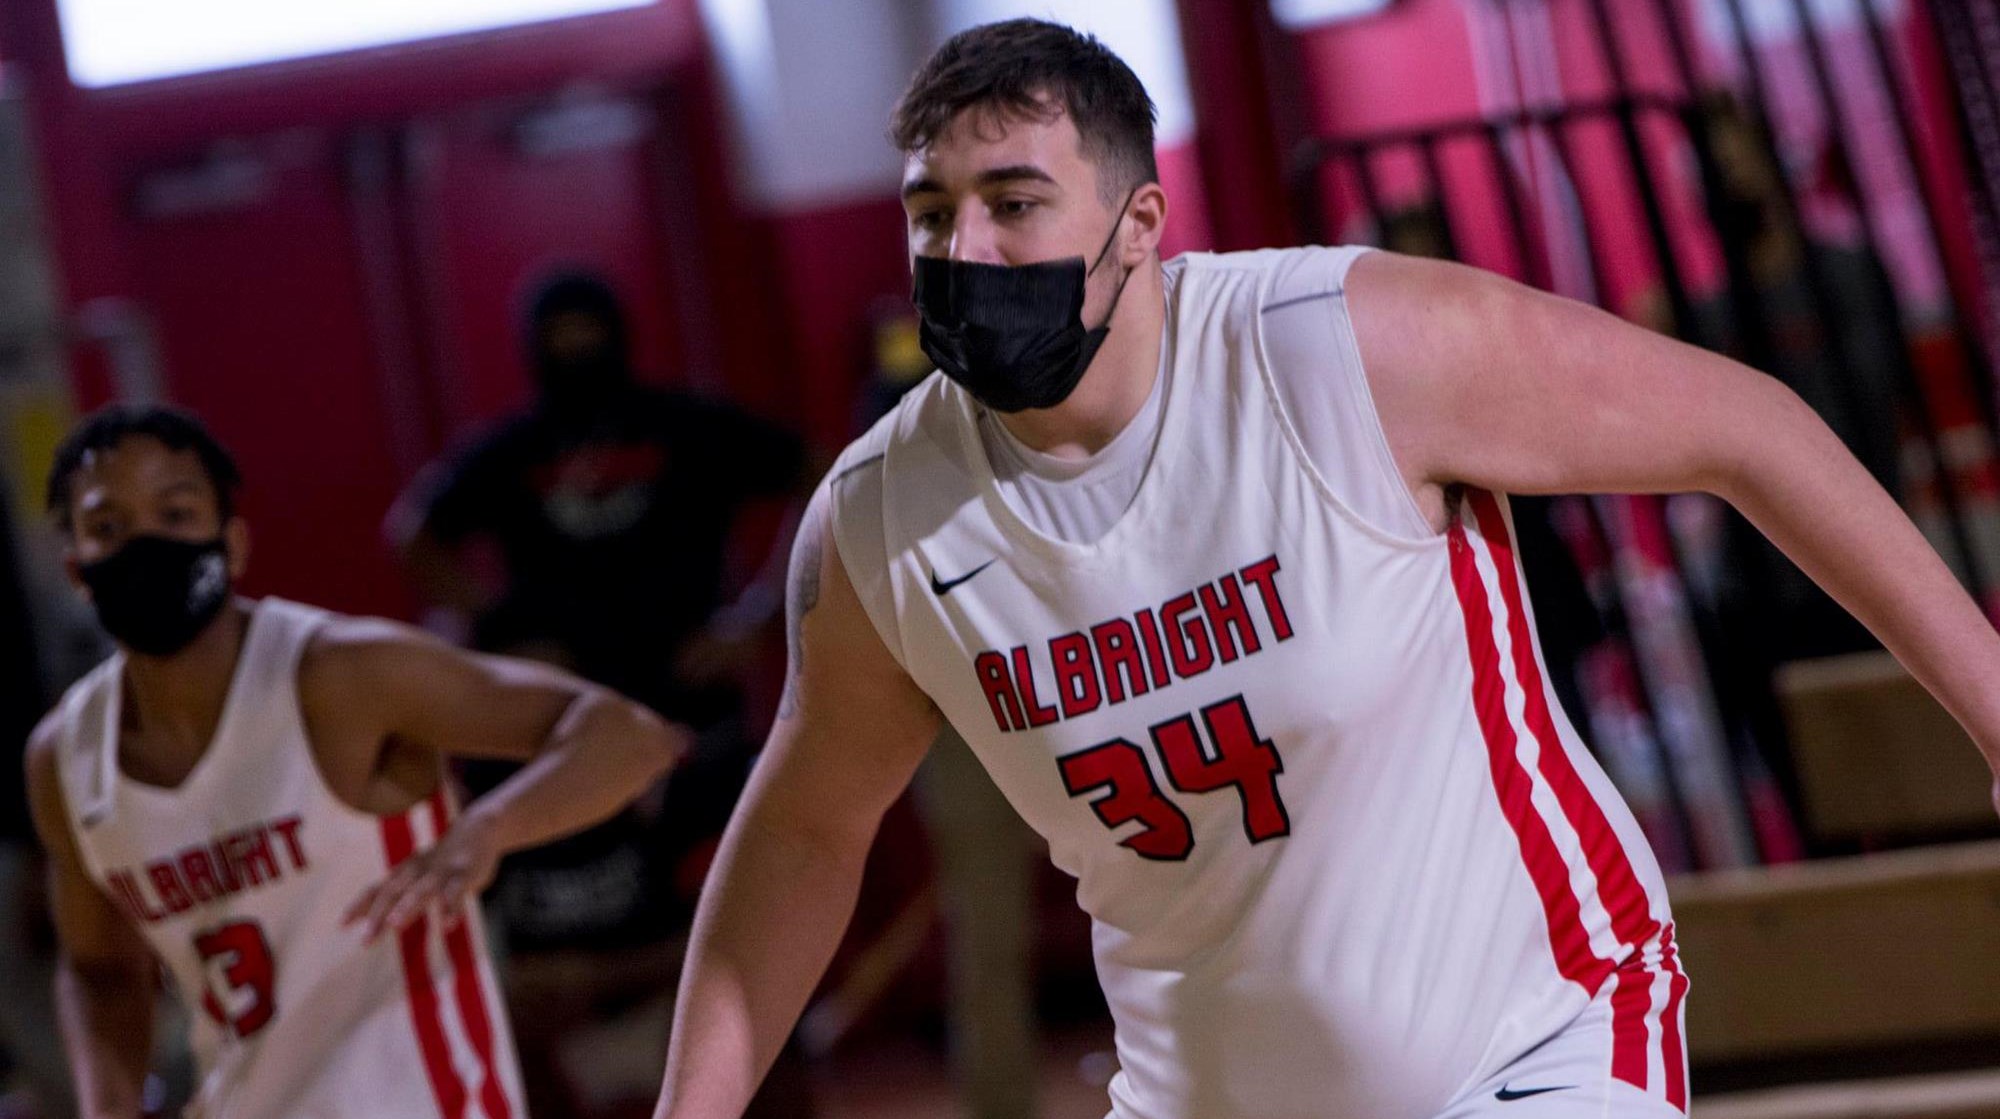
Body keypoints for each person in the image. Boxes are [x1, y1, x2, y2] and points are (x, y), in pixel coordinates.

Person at [652, 18, 2000, 1119]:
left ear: (1138, 225)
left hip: (1532, 1047)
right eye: (929, 211)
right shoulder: (881, 518)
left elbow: (1745, 428)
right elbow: (809, 826)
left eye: (1015, 204)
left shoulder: (1340, 349)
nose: (966, 250)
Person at [25, 404, 687, 1119]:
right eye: (109, 527)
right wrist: (108, 1104)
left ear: (234, 543)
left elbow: (629, 734)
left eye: (176, 513)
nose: (145, 544)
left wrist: (487, 828)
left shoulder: (341, 675)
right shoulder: (66, 759)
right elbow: (101, 970)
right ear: (76, 569)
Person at [389, 271, 812, 1117]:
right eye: (561, 338)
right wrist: (498, 627)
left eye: (590, 333)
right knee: (560, 973)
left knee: (746, 939)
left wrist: (763, 619)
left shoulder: (687, 425)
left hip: (697, 733)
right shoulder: (512, 449)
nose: (578, 352)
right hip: (570, 749)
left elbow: (822, 479)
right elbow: (415, 535)